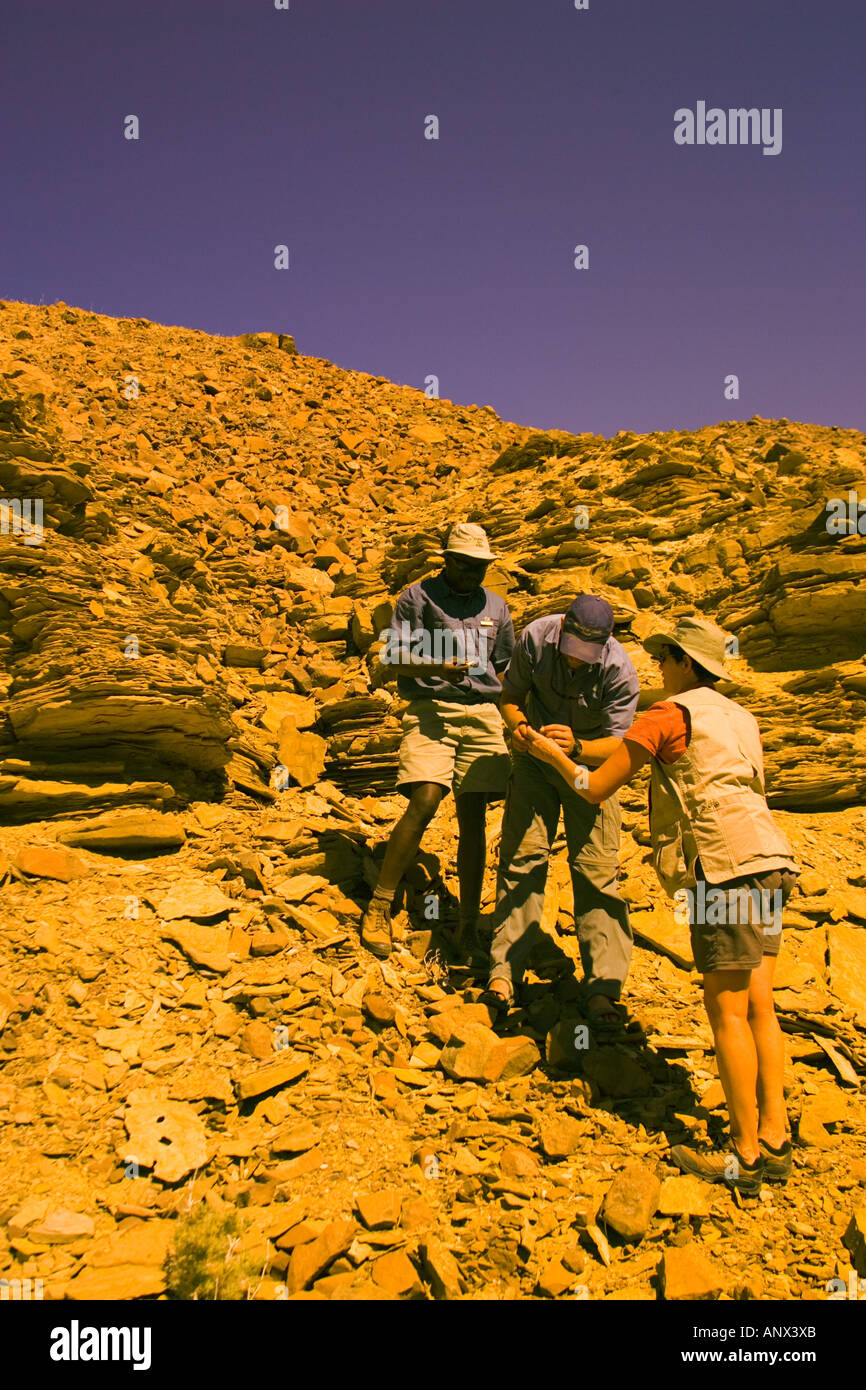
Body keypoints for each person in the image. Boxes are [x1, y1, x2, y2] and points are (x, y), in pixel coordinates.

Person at [521, 614, 799, 1194]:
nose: (659, 668)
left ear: (684, 663)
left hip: (725, 869)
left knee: (726, 1012)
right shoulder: (739, 715)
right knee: (761, 1007)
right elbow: (738, 781)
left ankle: (744, 1155)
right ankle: (776, 1136)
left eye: (666, 658)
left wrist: (550, 754)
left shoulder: (670, 713)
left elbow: (593, 788)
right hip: (772, 858)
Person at [485, 595, 640, 1036]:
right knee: (523, 859)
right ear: (562, 632)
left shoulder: (619, 670)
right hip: (535, 761)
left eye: (586, 655)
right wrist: (518, 728)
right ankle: (503, 974)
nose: (576, 661)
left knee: (595, 871)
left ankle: (603, 988)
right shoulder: (536, 637)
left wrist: (575, 749)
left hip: (587, 770)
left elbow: (621, 745)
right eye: (571, 650)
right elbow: (510, 694)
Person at [360, 523, 515, 959]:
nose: (474, 574)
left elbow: (502, 670)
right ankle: (379, 904)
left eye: (481, 567)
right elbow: (393, 657)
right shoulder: (416, 597)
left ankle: (468, 925)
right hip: (431, 710)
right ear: (447, 560)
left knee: (474, 818)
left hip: (483, 715)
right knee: (426, 799)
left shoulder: (497, 608)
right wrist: (438, 666)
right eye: (466, 565)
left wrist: (520, 718)